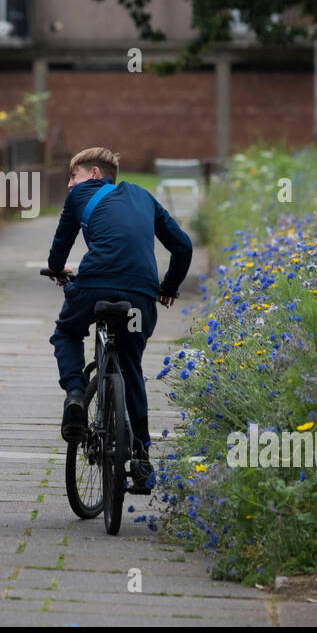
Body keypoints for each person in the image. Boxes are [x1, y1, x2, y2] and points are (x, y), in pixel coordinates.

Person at [46, 147, 192, 493]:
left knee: (67, 332)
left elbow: (58, 251)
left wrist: (57, 271)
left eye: (74, 175)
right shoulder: (143, 197)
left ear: (95, 173)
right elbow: (183, 246)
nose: (70, 184)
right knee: (129, 364)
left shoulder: (80, 196)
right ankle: (142, 463)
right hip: (140, 298)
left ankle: (77, 396)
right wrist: (167, 287)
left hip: (93, 289)